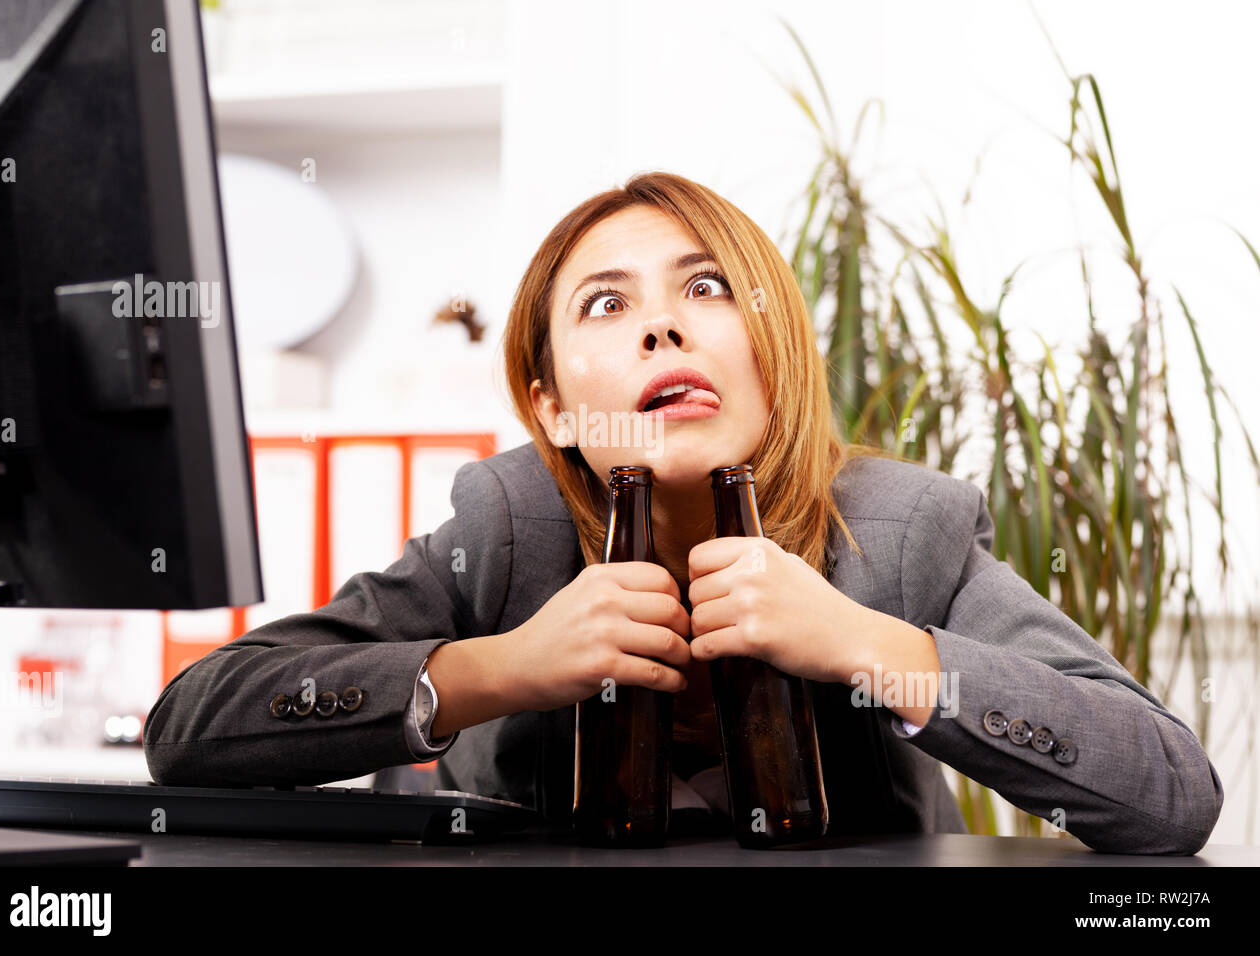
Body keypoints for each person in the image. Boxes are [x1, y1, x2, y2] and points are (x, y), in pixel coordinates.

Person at [143, 171, 1224, 854]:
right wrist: (496, 666)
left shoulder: (900, 533)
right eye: (606, 304)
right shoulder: (504, 525)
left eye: (705, 289)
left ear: (773, 354)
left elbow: (1169, 794)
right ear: (552, 407)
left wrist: (872, 645)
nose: (661, 326)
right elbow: (190, 724)